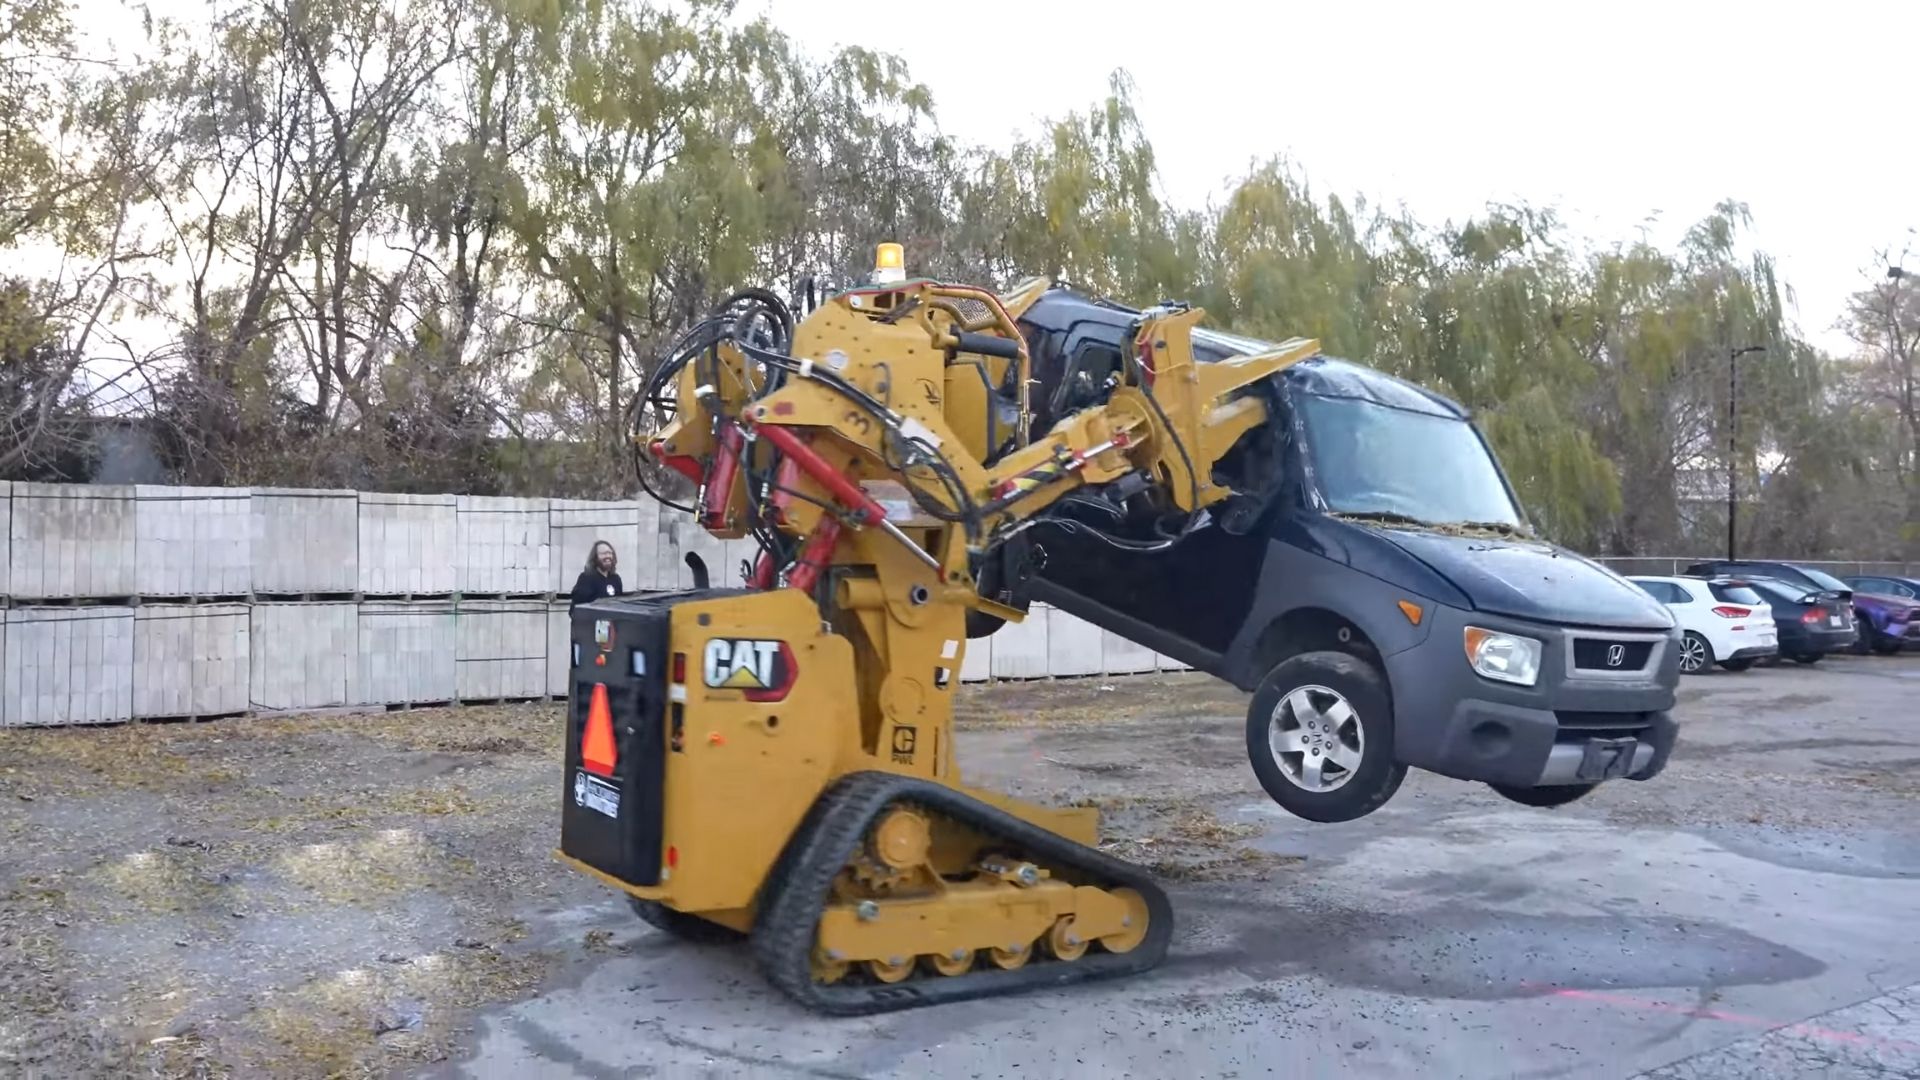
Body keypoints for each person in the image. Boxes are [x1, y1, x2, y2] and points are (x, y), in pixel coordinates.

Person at [569, 540, 624, 610]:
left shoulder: (616, 579)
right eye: (604, 553)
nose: (608, 556)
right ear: (595, 557)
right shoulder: (586, 579)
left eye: (610, 553)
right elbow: (577, 609)